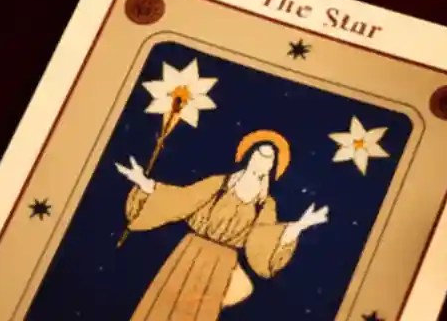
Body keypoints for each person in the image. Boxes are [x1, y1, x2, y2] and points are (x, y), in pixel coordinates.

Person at [114, 130, 329, 321]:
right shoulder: (221, 183)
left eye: (268, 159)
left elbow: (264, 239)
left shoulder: (265, 203)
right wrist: (145, 183)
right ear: (249, 156)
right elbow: (183, 199)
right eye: (258, 155)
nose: (261, 161)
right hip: (192, 254)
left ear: (272, 167)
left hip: (223, 264)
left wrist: (299, 226)